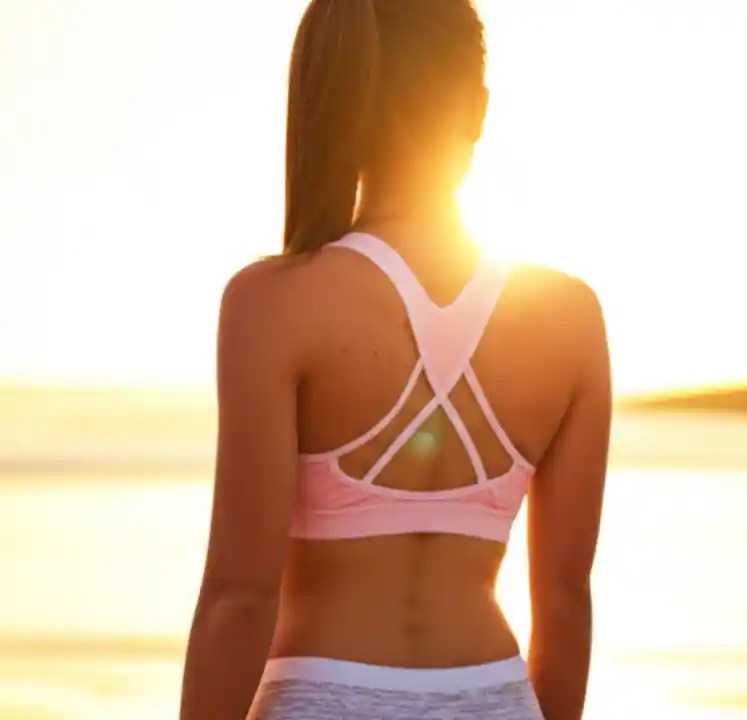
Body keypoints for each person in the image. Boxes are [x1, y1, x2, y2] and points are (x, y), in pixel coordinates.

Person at [179, 1, 611, 718]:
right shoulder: (569, 318)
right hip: (494, 696)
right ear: (476, 109)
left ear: (339, 99)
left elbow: (239, 596)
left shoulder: (273, 303)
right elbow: (565, 604)